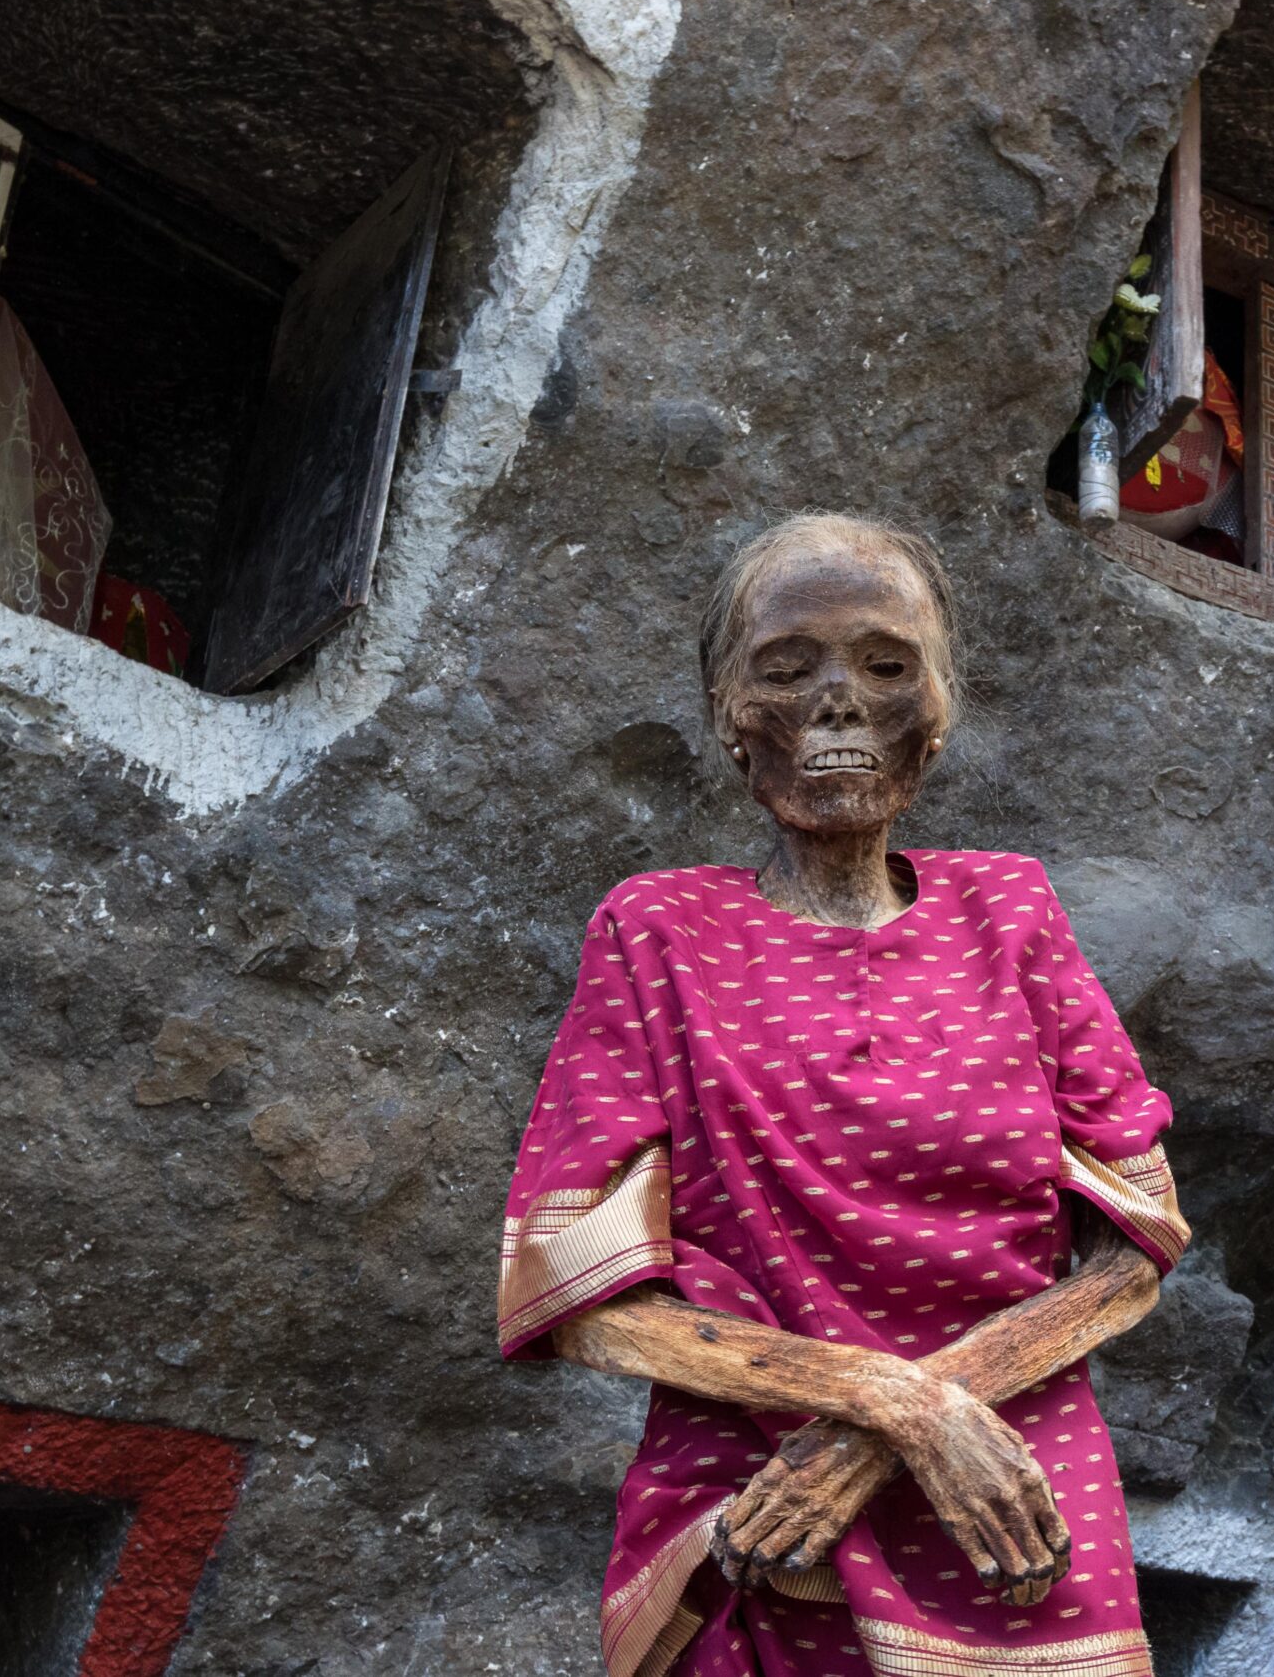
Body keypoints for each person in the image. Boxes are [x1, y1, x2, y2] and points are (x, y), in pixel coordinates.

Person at [497, 513, 1190, 1676]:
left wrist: (925, 1417)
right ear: (727, 711)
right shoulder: (659, 930)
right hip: (761, 1495)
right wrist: (890, 1404)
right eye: (785, 667)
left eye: (884, 665)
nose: (836, 701)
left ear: (941, 708)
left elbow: (1134, 1250)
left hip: (1013, 1490)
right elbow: (579, 1297)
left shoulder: (1008, 912)